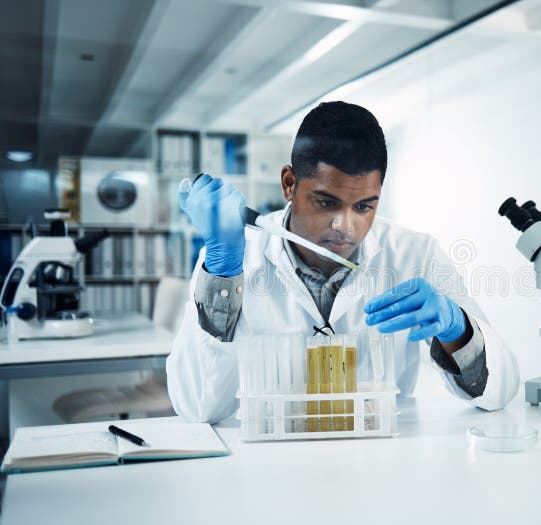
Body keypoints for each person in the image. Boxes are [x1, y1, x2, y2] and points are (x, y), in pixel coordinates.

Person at [167, 101, 519, 423]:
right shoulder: (233, 254)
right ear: (289, 184)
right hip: (273, 458)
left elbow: (500, 392)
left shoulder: (415, 254)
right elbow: (197, 406)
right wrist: (223, 274)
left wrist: (458, 328)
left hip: (384, 457)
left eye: (364, 206)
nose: (345, 226)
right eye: (326, 202)